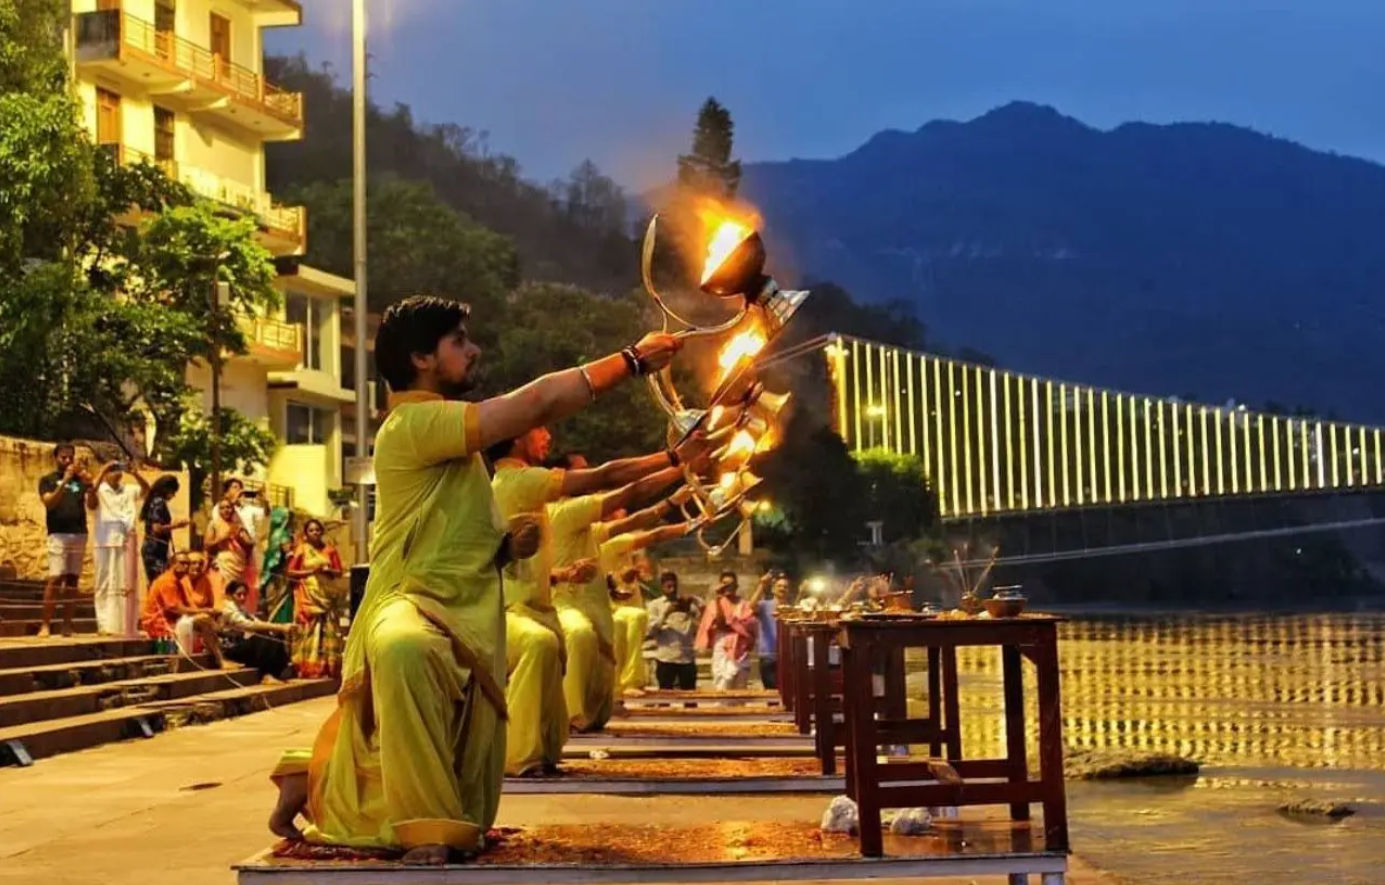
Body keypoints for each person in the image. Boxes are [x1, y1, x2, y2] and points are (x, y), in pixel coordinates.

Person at [267, 296, 681, 863]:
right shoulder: (413, 424)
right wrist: (631, 360)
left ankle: (308, 780)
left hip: (467, 604)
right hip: (410, 598)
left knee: (468, 725)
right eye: (459, 341)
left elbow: (457, 535)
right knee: (404, 650)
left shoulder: (458, 449)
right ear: (420, 357)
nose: (473, 349)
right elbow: (536, 401)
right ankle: (425, 828)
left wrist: (508, 545)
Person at [486, 426, 701, 777]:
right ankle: (519, 755)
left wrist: (564, 574)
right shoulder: (524, 485)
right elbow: (617, 483)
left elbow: (640, 519)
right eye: (537, 429)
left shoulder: (542, 505)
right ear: (515, 438)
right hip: (516, 611)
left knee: (565, 640)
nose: (547, 434)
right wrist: (679, 461)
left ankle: (552, 741)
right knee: (553, 640)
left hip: (542, 606)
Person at [549, 476, 685, 733]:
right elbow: (629, 490)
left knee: (613, 628)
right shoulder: (564, 512)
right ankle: (569, 714)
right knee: (583, 632)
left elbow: (642, 526)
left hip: (593, 604)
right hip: (562, 603)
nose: (587, 477)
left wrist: (680, 510)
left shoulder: (590, 532)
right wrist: (676, 465)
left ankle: (598, 706)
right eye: (581, 473)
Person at [37, 443, 94, 638]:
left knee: (72, 581)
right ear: (56, 458)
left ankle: (67, 625)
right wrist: (64, 481)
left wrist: (91, 485)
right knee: (55, 578)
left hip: (79, 533)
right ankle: (45, 625)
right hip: (58, 534)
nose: (68, 461)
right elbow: (49, 503)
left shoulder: (81, 481)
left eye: (70, 457)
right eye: (63, 457)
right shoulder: (47, 480)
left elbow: (93, 504)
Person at [87, 460, 150, 637]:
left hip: (127, 542)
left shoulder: (128, 489)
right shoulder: (99, 489)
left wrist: (136, 474)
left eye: (118, 470)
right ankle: (104, 624)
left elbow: (147, 491)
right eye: (112, 470)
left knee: (127, 583)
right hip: (105, 541)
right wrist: (102, 470)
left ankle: (126, 623)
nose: (116, 473)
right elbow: (91, 500)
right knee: (104, 582)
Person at [139, 551, 227, 666]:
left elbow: (188, 606)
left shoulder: (178, 581)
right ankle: (220, 660)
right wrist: (205, 611)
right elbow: (177, 609)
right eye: (182, 563)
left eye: (187, 564)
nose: (185, 567)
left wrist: (210, 614)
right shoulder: (167, 581)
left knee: (206, 620)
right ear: (173, 564)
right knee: (204, 620)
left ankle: (218, 656)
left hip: (174, 621)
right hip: (159, 623)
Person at [287, 519, 347, 679]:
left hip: (326, 594)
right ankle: (307, 666)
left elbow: (339, 572)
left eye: (317, 530)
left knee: (328, 627)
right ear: (306, 534)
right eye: (311, 530)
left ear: (322, 532)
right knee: (310, 628)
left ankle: (328, 665)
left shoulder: (330, 550)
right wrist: (311, 571)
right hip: (308, 594)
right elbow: (291, 572)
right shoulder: (302, 549)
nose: (315, 533)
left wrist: (328, 571)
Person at [696, 570, 759, 691]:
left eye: (730, 584)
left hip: (740, 649)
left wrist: (735, 626)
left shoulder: (744, 604)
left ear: (736, 586)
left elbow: (748, 625)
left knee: (740, 688)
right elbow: (721, 624)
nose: (727, 587)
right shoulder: (715, 604)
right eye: (724, 584)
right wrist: (719, 599)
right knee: (722, 686)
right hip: (722, 646)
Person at [220, 580, 295, 680]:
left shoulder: (241, 609)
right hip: (232, 647)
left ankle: (275, 673)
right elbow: (248, 625)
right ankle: (265, 675)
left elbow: (257, 622)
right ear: (230, 595)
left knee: (275, 637)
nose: (242, 598)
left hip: (243, 644)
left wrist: (278, 627)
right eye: (239, 595)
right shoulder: (228, 609)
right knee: (261, 640)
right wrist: (279, 627)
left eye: (244, 594)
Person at [646, 571, 703, 690]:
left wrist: (693, 600)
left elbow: (703, 621)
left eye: (674, 586)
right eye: (669, 587)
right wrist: (666, 613)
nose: (672, 590)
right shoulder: (654, 605)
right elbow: (650, 631)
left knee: (690, 699)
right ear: (662, 587)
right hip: (666, 657)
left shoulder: (686, 603)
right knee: (665, 698)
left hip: (686, 657)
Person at [139, 475, 187, 584]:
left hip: (155, 548)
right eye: (173, 492)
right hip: (155, 549)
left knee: (156, 582)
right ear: (167, 489)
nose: (173, 495)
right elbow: (156, 528)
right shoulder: (158, 502)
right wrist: (177, 525)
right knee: (159, 583)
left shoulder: (154, 501)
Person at [748, 571, 791, 690]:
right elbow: (750, 607)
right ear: (773, 589)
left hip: (787, 656)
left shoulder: (792, 609)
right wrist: (762, 585)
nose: (782, 588)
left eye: (785, 587)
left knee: (787, 692)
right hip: (768, 655)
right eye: (779, 586)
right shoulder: (764, 605)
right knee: (771, 693)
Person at [205, 497, 253, 599]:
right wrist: (222, 538)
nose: (226, 510)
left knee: (236, 591)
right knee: (223, 591)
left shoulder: (238, 526)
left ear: (233, 509)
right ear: (218, 511)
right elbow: (207, 544)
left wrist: (241, 538)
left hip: (238, 561)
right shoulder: (214, 524)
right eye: (222, 508)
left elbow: (250, 544)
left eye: (228, 507)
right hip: (223, 562)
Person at [261, 507, 296, 623]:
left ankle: (275, 628)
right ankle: (280, 627)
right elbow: (288, 554)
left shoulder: (274, 535)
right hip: (280, 575)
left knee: (274, 601)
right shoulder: (283, 534)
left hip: (273, 574)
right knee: (280, 601)